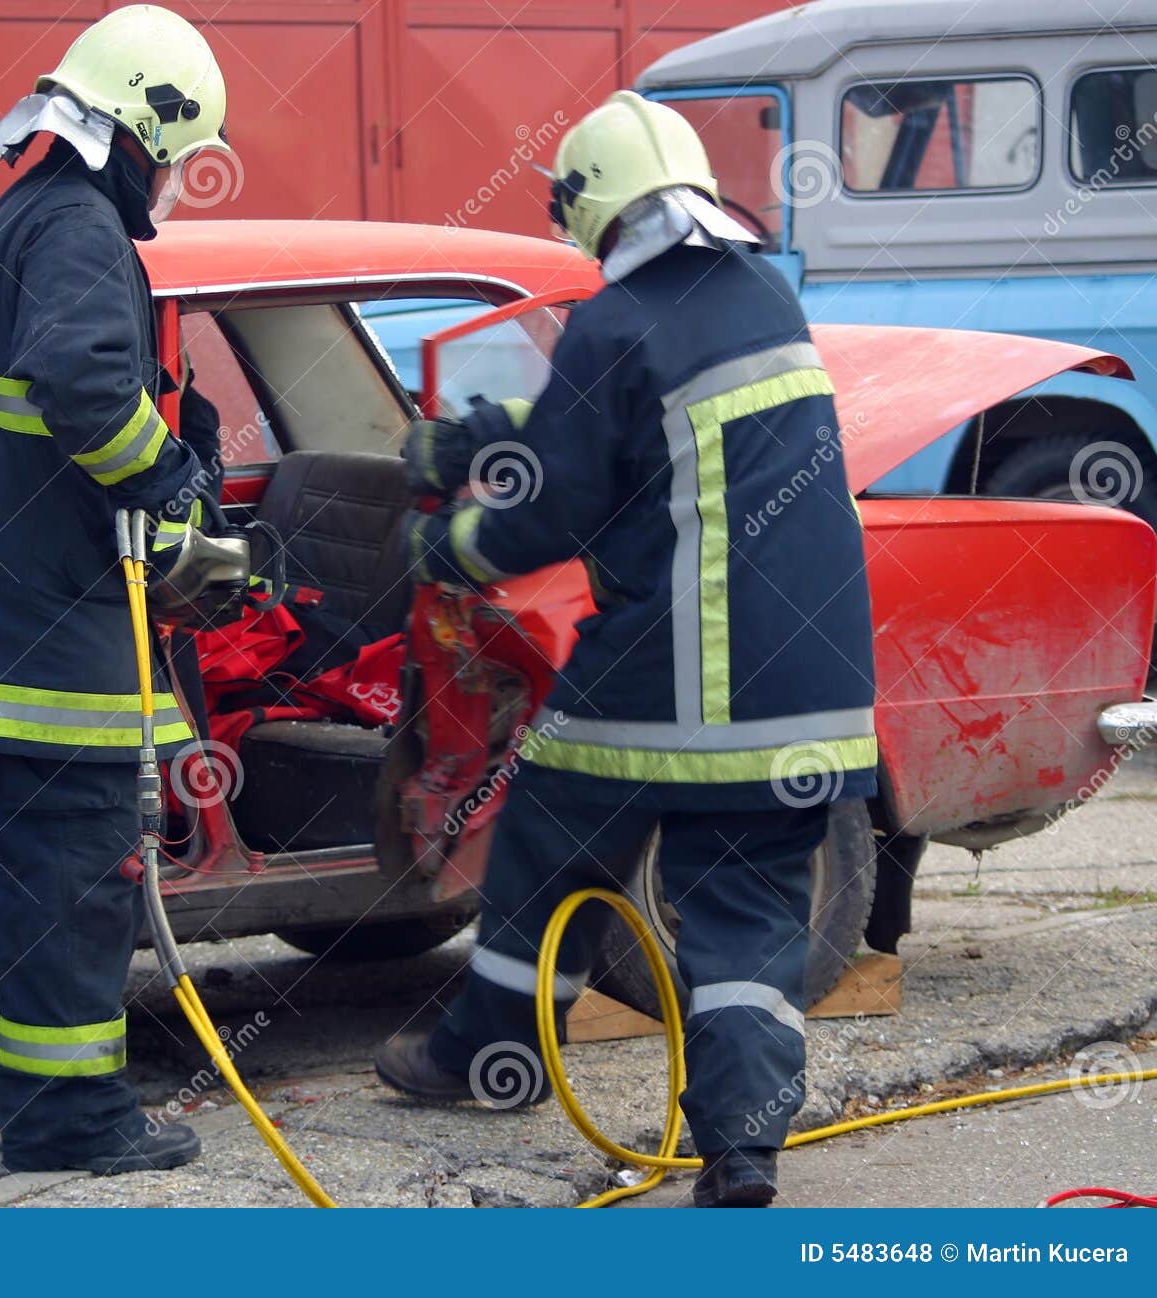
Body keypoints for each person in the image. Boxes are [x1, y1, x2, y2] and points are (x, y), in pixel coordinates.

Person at [373, 91, 878, 1208]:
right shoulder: (761, 292)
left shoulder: (613, 318)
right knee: (744, 904)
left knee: (543, 831)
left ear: (587, 206)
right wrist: (480, 435)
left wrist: (443, 542)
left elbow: (553, 508)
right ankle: (742, 1148)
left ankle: (486, 1056)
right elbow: (618, 430)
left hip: (680, 670)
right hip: (817, 687)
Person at [0, 5, 229, 1175]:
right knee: (82, 880)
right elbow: (83, 384)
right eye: (181, 155)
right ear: (149, 125)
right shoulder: (83, 231)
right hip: (44, 636)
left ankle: (23, 1079)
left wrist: (158, 435)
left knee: (41, 881)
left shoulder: (22, 216)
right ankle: (72, 1120)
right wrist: (174, 481)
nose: (176, 182)